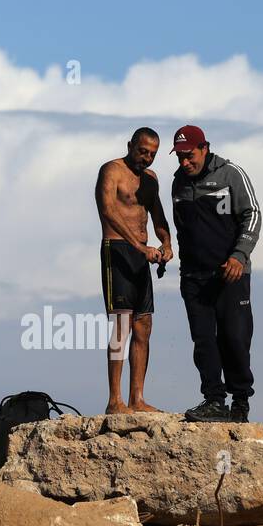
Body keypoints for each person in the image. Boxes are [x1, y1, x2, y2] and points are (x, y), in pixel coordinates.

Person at [169, 125, 260, 423]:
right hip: (194, 277)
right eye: (180, 157)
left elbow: (253, 214)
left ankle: (240, 402)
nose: (185, 162)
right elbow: (183, 229)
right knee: (204, 341)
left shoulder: (231, 173)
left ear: (204, 148)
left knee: (234, 338)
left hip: (230, 275)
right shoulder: (178, 183)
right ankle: (213, 400)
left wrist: (239, 256)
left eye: (190, 155)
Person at [94, 127, 173, 414]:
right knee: (121, 324)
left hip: (144, 256)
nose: (147, 158)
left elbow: (159, 217)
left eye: (152, 154)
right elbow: (108, 211)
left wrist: (166, 243)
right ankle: (114, 400)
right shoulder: (111, 170)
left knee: (144, 325)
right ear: (130, 145)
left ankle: (136, 398)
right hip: (117, 251)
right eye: (142, 151)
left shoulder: (151, 180)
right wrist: (140, 248)